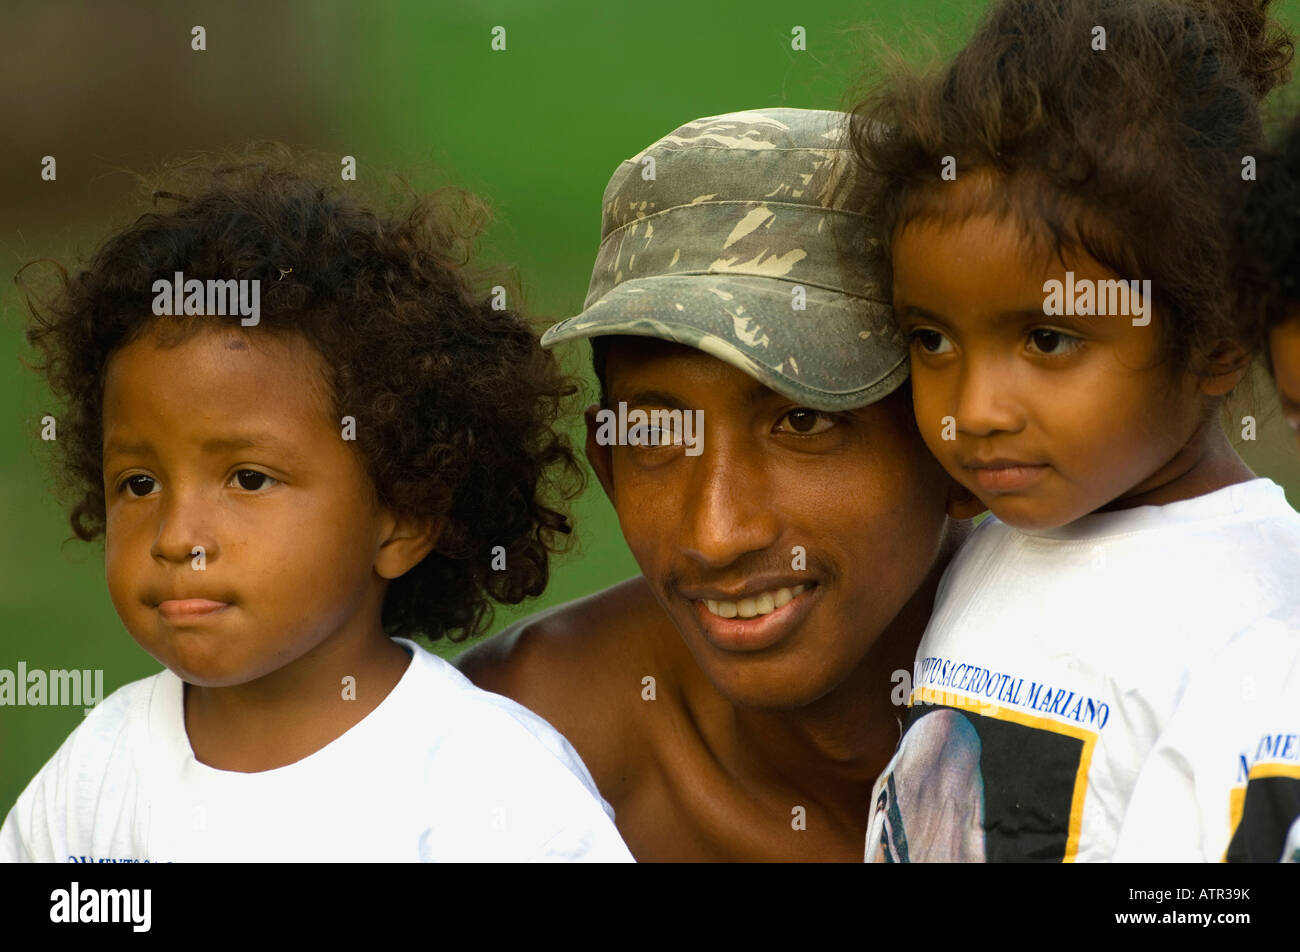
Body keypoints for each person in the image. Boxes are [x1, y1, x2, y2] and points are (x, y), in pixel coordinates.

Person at [0, 146, 633, 862]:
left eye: (248, 478)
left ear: (404, 513)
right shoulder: (93, 779)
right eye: (139, 484)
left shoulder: (491, 793)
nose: (177, 537)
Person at [457, 108, 978, 861]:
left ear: (954, 451)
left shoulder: (1124, 693)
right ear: (607, 467)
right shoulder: (522, 752)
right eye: (658, 435)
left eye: (804, 421)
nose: (717, 533)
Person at [849, 0, 1300, 861]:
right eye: (931, 338)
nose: (974, 408)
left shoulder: (1267, 607)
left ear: (1215, 341)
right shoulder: (979, 549)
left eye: (1048, 339)